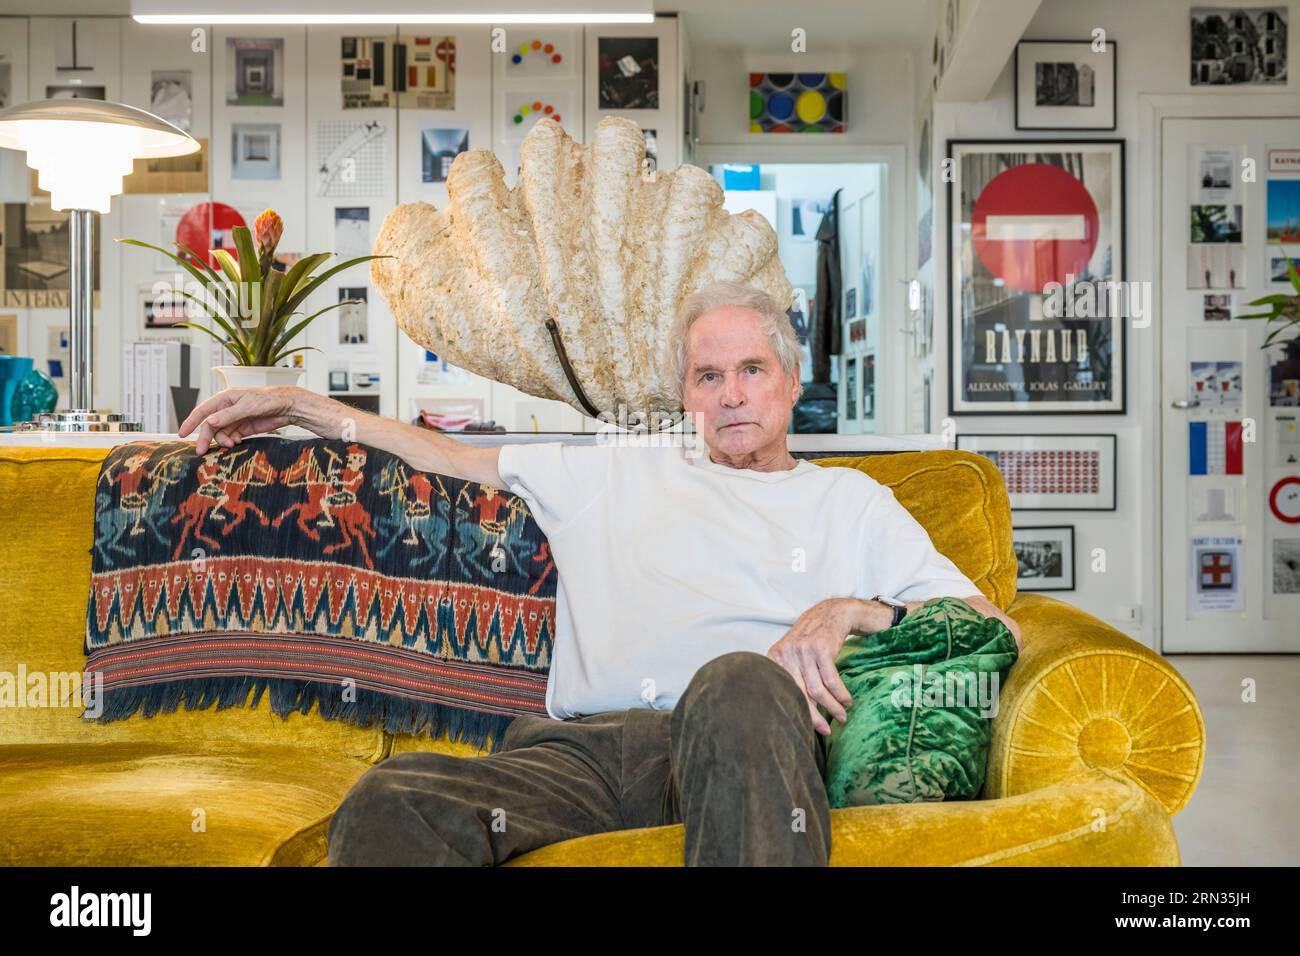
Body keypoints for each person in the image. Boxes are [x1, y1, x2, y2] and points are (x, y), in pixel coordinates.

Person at [178, 280, 1022, 867]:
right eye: (707, 376)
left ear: (792, 381)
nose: (730, 394)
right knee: (393, 796)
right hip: (582, 754)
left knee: (736, 680)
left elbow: (999, 626)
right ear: (686, 394)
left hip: (741, 741)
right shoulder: (615, 469)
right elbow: (455, 459)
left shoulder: (852, 503)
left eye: (751, 370)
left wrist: (847, 610)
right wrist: (306, 409)